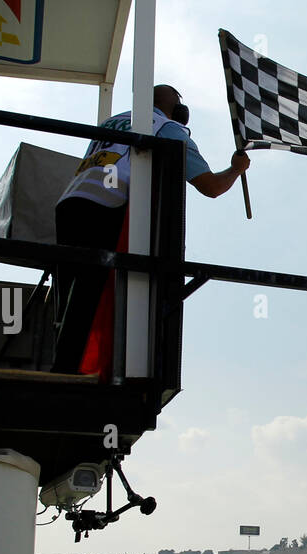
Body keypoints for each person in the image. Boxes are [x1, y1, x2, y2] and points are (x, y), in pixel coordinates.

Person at [51, 85, 250, 375]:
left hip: (71, 202)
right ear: (171, 105)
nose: (182, 104)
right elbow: (211, 187)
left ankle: (64, 363)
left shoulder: (113, 120)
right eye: (178, 98)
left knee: (70, 294)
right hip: (107, 204)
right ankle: (74, 370)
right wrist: (236, 169)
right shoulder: (166, 127)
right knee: (92, 294)